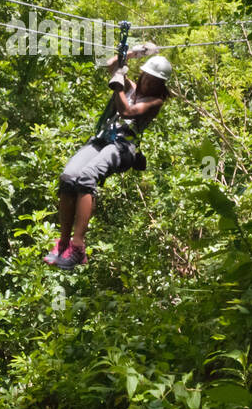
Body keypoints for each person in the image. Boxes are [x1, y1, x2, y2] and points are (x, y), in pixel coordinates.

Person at [46, 47, 173, 270]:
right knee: (68, 177)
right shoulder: (130, 86)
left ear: (161, 86)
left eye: (155, 82)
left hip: (123, 148)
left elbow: (127, 112)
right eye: (148, 78)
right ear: (143, 74)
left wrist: (118, 86)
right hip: (102, 139)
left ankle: (77, 245)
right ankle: (63, 243)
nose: (149, 83)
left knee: (87, 176)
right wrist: (133, 52)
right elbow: (110, 64)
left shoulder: (155, 101)